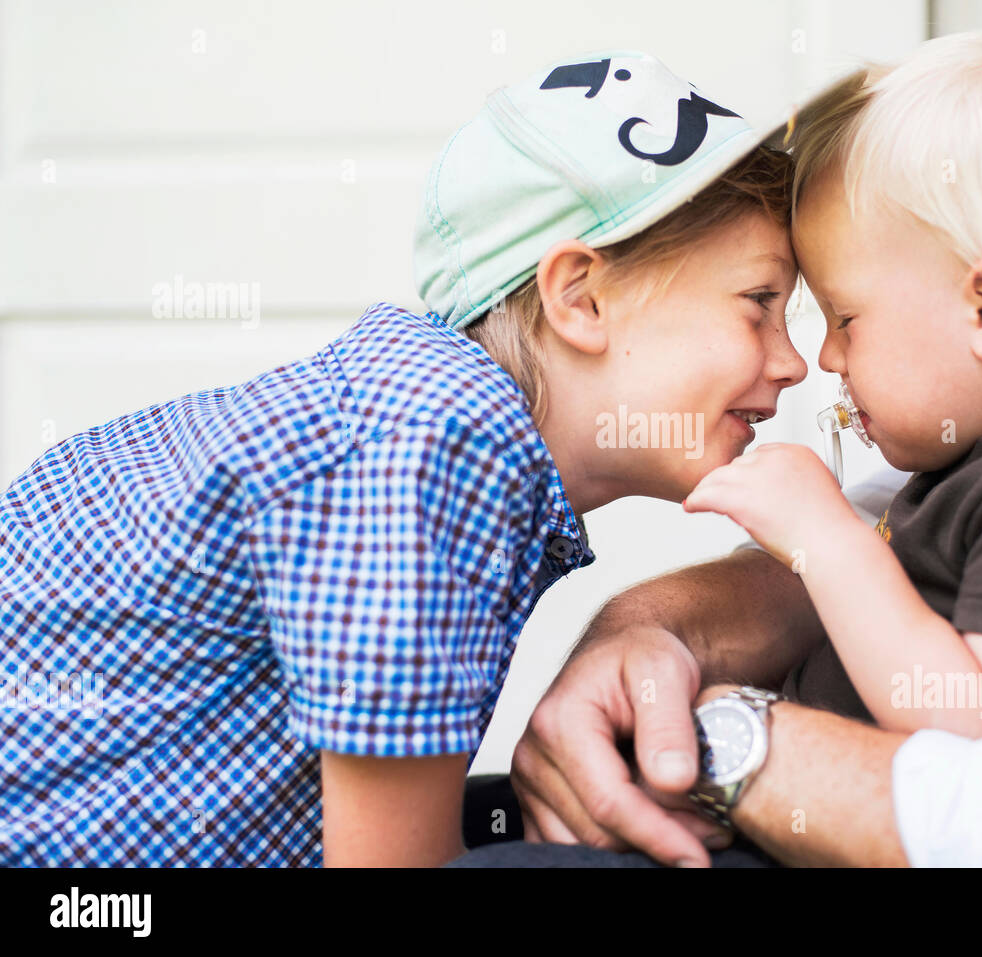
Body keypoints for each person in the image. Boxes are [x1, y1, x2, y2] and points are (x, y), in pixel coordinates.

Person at [460, 0, 982, 868]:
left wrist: (826, 543)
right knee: (481, 818)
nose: (822, 358)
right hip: (792, 808)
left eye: (847, 318)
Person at [0, 51, 809, 866]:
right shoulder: (443, 445)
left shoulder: (415, 416)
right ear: (580, 297)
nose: (793, 362)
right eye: (759, 305)